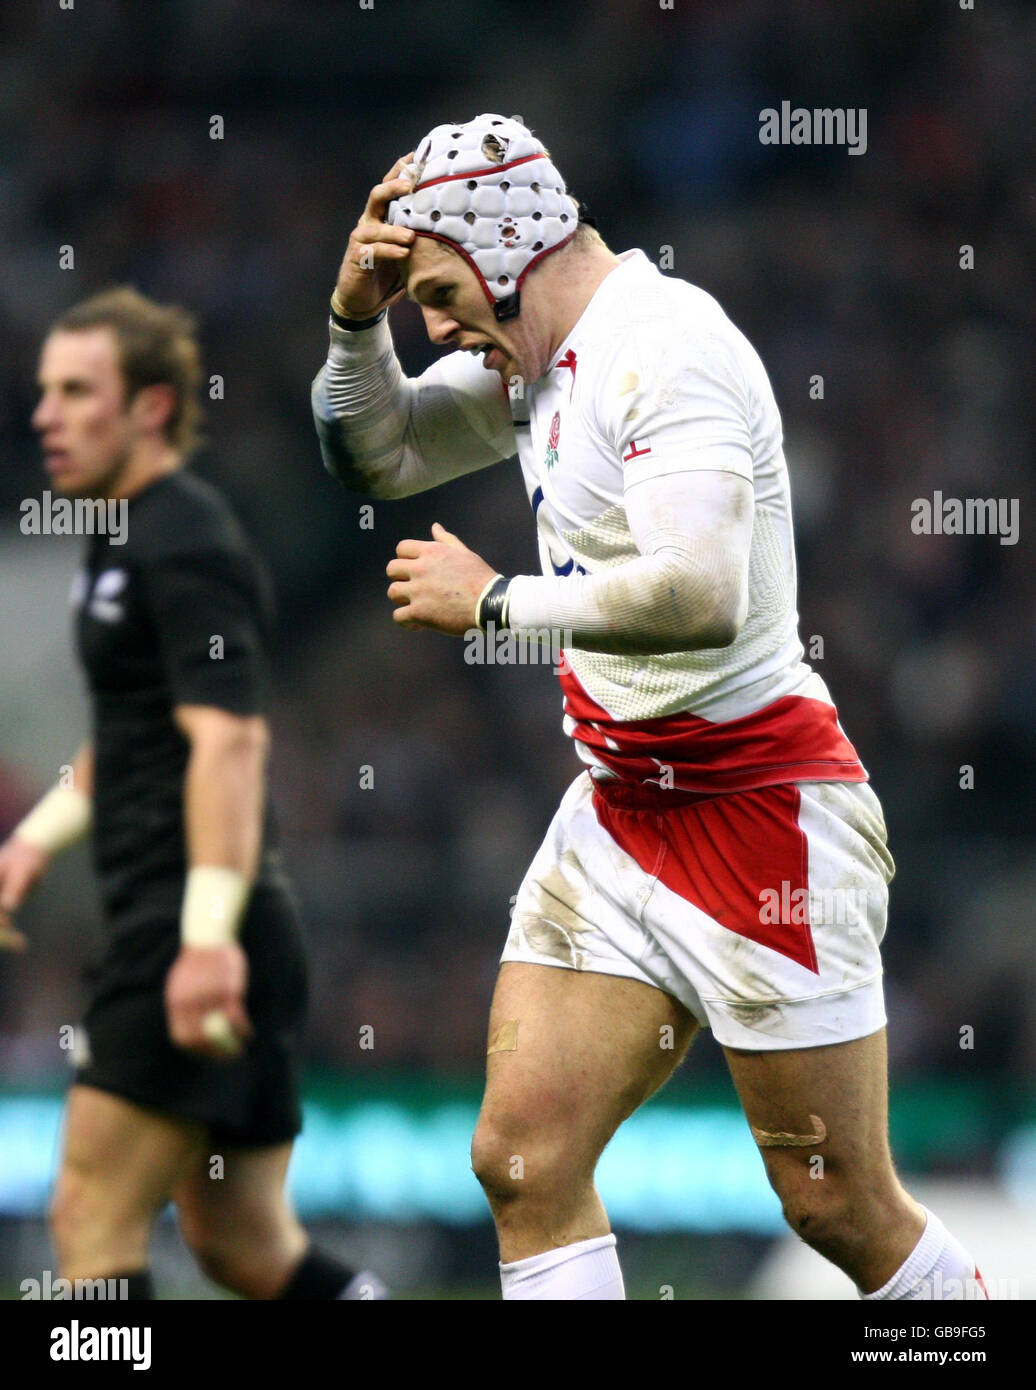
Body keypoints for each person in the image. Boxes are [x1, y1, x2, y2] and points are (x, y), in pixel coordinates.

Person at [311, 113, 991, 1303]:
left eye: (433, 289)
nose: (433, 323)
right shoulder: (539, 356)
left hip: (761, 808)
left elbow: (700, 593)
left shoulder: (662, 346)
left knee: (837, 1206)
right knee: (521, 1159)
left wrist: (495, 605)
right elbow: (373, 452)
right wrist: (350, 319)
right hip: (623, 809)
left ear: (502, 242)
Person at [0, 287, 383, 1301]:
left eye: (77, 391)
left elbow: (230, 739)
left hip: (189, 926)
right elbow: (139, 735)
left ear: (153, 407)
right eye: (44, 391)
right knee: (244, 1245)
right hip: (226, 929)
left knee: (88, 1213)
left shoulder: (187, 540)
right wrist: (33, 842)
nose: (45, 414)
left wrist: (204, 936)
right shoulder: (123, 539)